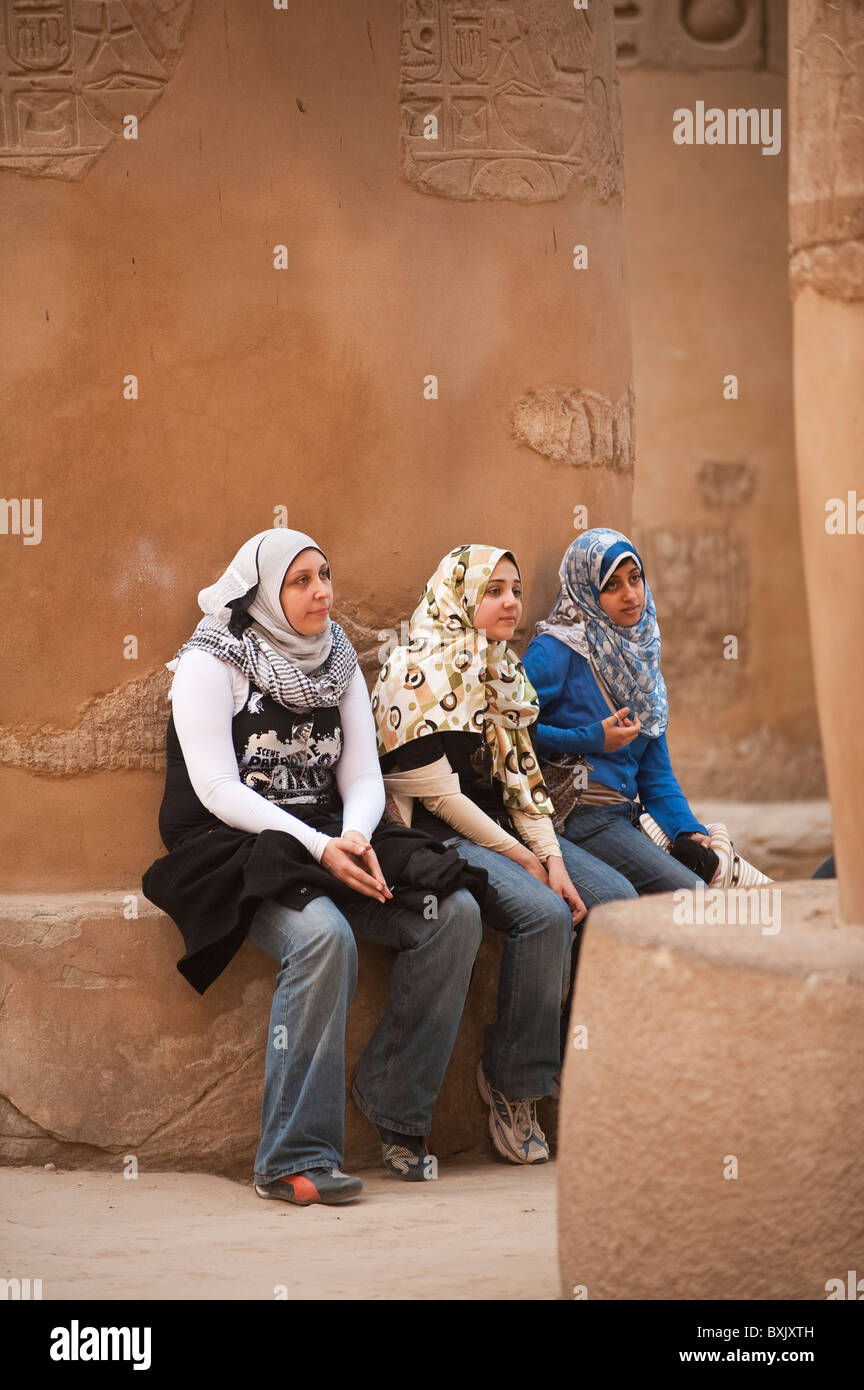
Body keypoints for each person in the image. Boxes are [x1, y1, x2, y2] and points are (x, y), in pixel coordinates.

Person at [141, 528, 487, 1206]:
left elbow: (361, 774)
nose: (321, 591)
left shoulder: (336, 661)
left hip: (331, 831)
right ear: (265, 590)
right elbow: (216, 788)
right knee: (324, 937)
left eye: (324, 575)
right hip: (239, 844)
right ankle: (292, 1158)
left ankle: (397, 1106)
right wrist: (318, 845)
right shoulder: (212, 662)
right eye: (300, 581)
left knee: (454, 914)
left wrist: (353, 836)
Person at [371, 544, 637, 1165]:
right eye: (494, 591)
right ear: (461, 595)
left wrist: (557, 861)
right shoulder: (419, 663)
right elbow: (435, 793)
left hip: (499, 830)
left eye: (515, 589)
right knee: (544, 913)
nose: (512, 602)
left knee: (615, 904)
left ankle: (581, 1070)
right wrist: (525, 861)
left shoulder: (502, 671)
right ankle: (517, 1086)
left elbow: (523, 782)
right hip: (435, 834)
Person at [522, 528, 717, 896]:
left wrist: (687, 829)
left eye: (635, 578)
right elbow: (509, 731)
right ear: (586, 591)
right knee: (687, 896)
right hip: (576, 814)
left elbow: (656, 774)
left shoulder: (642, 663)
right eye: (611, 586)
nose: (630, 595)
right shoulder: (557, 650)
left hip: (623, 817)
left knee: (705, 879)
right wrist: (591, 739)